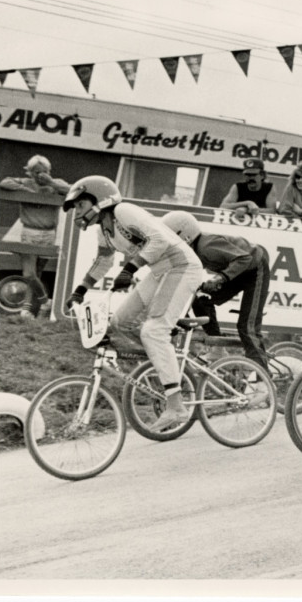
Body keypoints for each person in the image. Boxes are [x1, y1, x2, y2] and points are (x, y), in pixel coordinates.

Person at [63, 176, 204, 431]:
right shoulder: (104, 230)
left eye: (80, 205)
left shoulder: (123, 211)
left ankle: (176, 407)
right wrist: (80, 290)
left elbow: (159, 240)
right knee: (120, 321)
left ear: (99, 200)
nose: (78, 212)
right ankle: (163, 361)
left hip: (182, 267)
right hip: (160, 271)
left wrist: (130, 268)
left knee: (153, 330)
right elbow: (102, 262)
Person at [161, 210, 272, 371]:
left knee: (247, 326)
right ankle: (218, 348)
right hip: (238, 271)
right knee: (201, 300)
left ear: (184, 236)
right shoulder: (194, 251)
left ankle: (262, 374)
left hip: (255, 268)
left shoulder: (207, 246)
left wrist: (220, 278)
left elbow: (244, 258)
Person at [0, 155, 71, 304]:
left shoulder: (56, 183)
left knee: (38, 273)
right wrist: (25, 190)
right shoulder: (26, 182)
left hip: (49, 234)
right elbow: (4, 183)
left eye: (44, 171)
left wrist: (51, 183)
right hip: (29, 232)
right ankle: (45, 301)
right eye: (36, 172)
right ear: (30, 172)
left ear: (49, 171)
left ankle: (29, 308)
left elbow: (73, 190)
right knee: (29, 274)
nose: (41, 175)